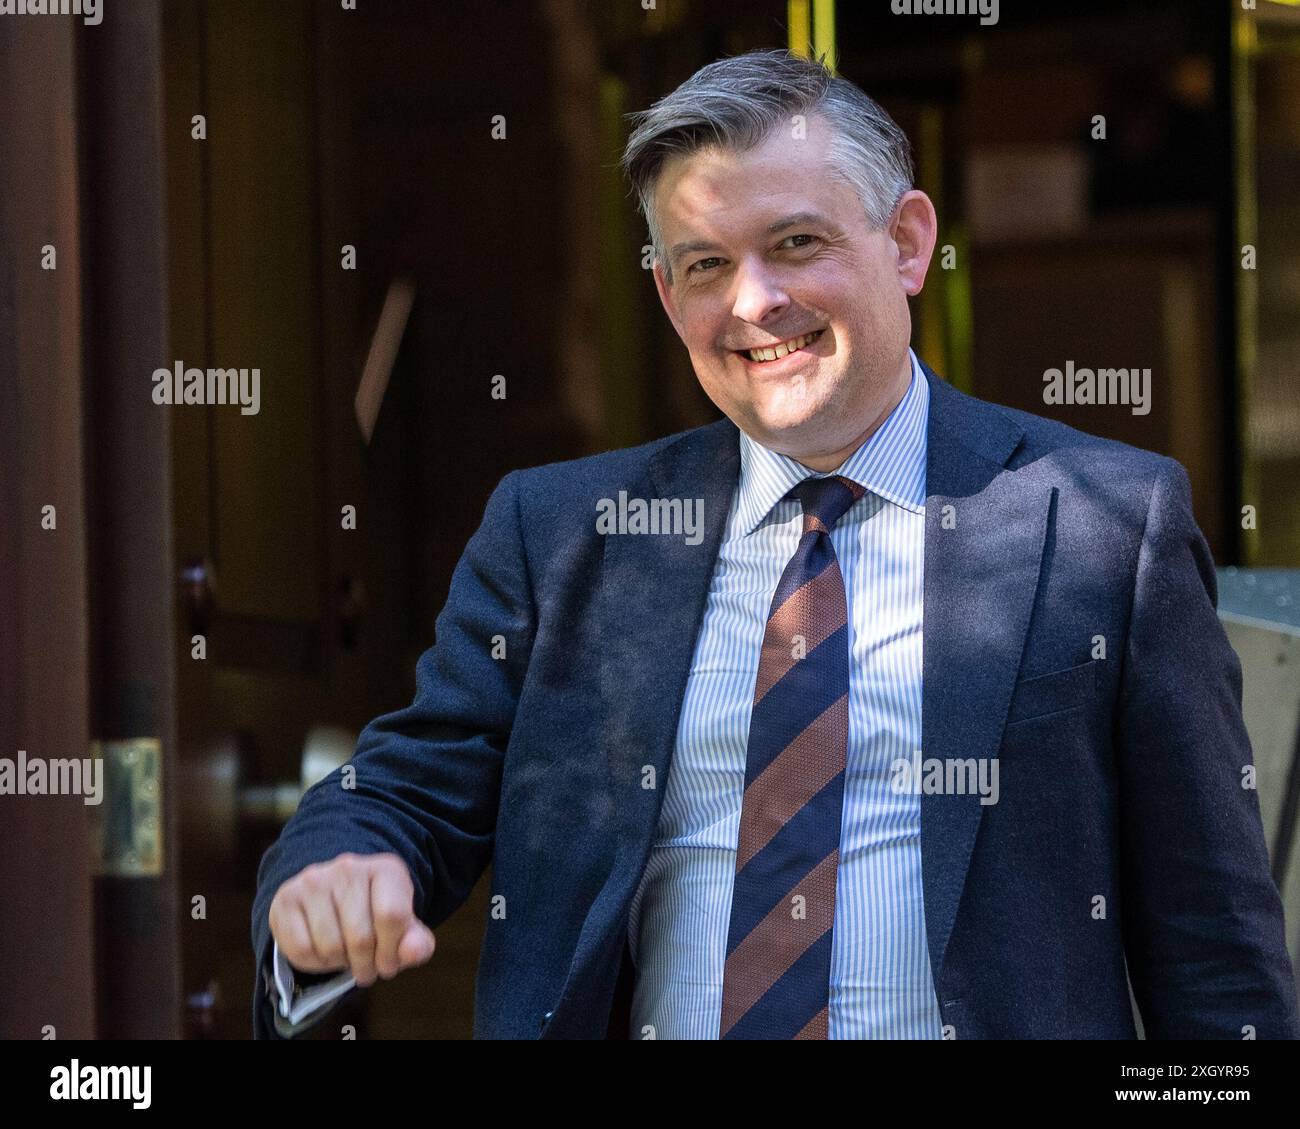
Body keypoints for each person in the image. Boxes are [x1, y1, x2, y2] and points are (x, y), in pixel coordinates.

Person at [251, 48, 1300, 1039]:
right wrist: (341, 863)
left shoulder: (1105, 523)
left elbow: (1212, 948)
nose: (754, 302)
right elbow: (406, 787)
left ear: (906, 241)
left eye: (797, 242)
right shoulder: (559, 531)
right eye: (707, 263)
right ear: (666, 294)